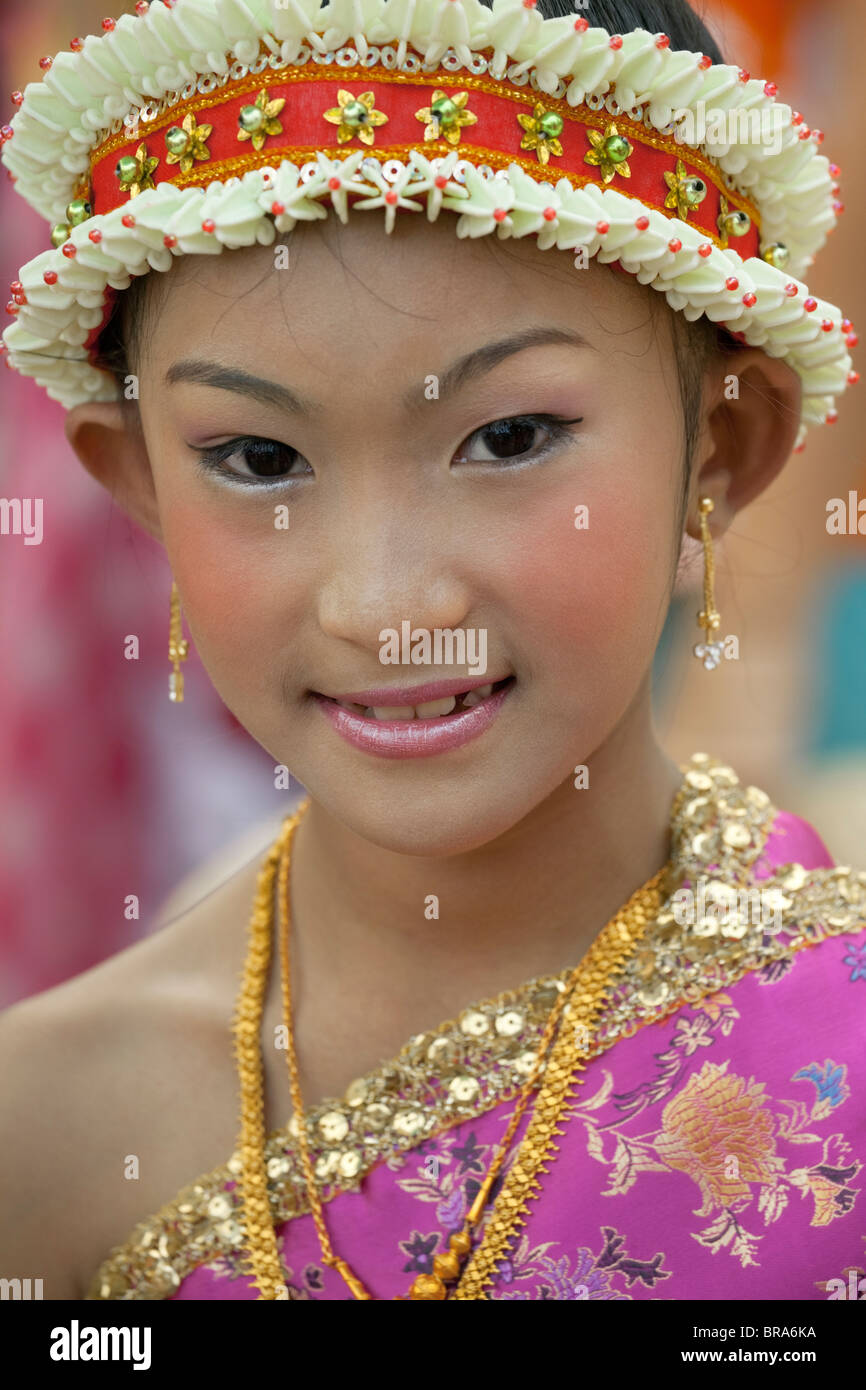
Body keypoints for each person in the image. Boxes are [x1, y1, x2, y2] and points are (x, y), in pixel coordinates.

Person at [0, 0, 863, 1302]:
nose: (379, 600)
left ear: (721, 446)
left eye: (507, 438)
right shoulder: (50, 1133)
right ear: (141, 490)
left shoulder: (834, 1031)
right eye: (258, 459)